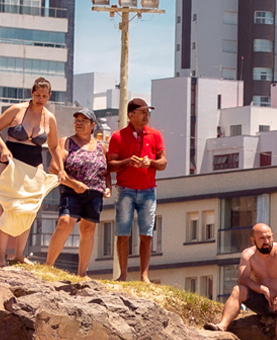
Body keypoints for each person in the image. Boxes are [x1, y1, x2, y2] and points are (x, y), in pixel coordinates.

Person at [205, 223, 277, 340]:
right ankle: (222, 325)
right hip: (264, 300)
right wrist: (262, 289)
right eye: (262, 238)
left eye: (269, 237)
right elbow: (243, 279)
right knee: (238, 290)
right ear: (253, 240)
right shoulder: (248, 255)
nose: (266, 241)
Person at [43, 108, 108, 278]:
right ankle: (48, 266)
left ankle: (82, 273)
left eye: (84, 121)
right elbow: (54, 168)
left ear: (92, 125)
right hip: (71, 190)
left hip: (94, 192)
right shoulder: (67, 142)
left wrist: (107, 187)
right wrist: (73, 183)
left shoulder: (101, 147)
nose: (79, 123)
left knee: (88, 229)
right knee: (65, 222)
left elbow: (106, 171)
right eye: (77, 120)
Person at [106, 98, 165, 282]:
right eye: (142, 112)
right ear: (131, 115)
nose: (146, 115)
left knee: (146, 234)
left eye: (147, 112)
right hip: (125, 190)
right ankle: (123, 275)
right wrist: (127, 161)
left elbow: (163, 163)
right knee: (122, 233)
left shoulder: (155, 135)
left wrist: (151, 162)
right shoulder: (118, 136)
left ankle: (144, 275)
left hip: (148, 191)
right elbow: (110, 165)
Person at [0, 78, 58, 265]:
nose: (40, 99)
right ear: (31, 93)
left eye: (44, 96)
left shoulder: (50, 118)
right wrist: (3, 149)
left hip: (33, 165)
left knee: (29, 210)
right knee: (7, 207)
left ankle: (19, 255)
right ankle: (1, 255)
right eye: (37, 95)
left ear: (49, 96)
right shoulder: (17, 110)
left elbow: (54, 146)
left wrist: (60, 168)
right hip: (10, 162)